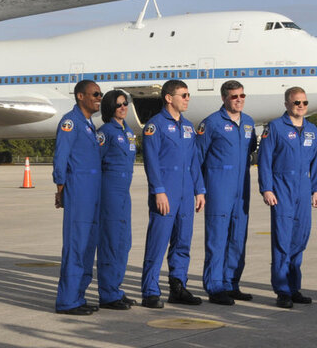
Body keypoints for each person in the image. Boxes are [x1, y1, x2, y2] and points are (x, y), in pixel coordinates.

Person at [141, 80, 206, 308]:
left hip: (186, 193)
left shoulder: (188, 127)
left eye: (188, 95)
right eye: (183, 95)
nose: (187, 99)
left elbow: (194, 162)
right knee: (157, 242)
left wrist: (200, 190)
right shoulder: (154, 126)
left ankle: (178, 287)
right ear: (169, 98)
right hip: (166, 193)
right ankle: (150, 290)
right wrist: (158, 191)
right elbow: (151, 162)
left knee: (182, 243)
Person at [258, 86, 317, 308]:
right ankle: (282, 290)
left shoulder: (312, 130)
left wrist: (316, 190)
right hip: (282, 189)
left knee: (300, 239)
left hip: (304, 190)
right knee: (283, 241)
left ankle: (295, 288)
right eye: (296, 103)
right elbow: (264, 160)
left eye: (304, 102)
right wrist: (266, 188)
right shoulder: (275, 128)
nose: (301, 106)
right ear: (287, 104)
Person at [196, 80, 257, 305]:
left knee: (238, 238)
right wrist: (200, 189)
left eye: (242, 95)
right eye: (234, 96)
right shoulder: (211, 123)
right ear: (223, 98)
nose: (239, 100)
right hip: (219, 188)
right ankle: (214, 286)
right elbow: (198, 158)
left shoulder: (249, 122)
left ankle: (231, 283)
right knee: (217, 239)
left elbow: (250, 151)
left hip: (241, 188)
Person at [52, 80, 104, 315]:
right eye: (95, 94)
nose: (99, 97)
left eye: (100, 94)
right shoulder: (70, 122)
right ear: (81, 96)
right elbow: (61, 157)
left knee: (87, 246)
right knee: (75, 246)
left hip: (91, 192)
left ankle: (79, 296)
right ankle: (67, 301)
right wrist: (61, 188)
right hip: (78, 190)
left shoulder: (88, 124)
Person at [97, 90, 137, 310]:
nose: (123, 107)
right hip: (110, 190)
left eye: (126, 103)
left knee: (124, 242)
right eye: (119, 104)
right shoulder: (106, 132)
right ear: (110, 108)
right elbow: (96, 161)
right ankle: (107, 294)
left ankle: (116, 289)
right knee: (111, 242)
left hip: (124, 192)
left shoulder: (128, 131)